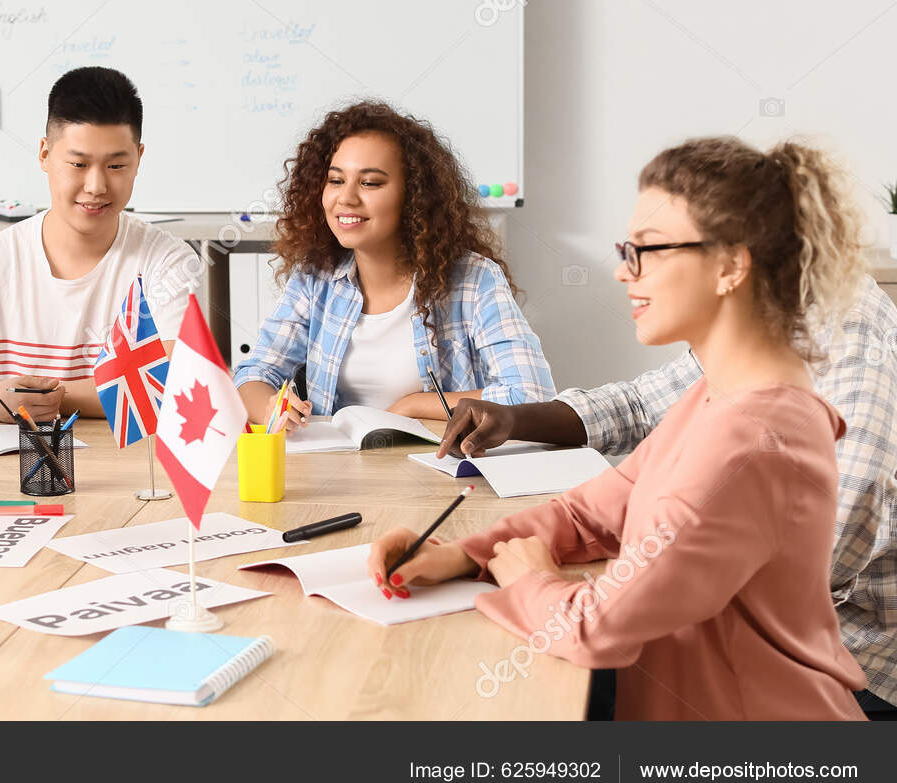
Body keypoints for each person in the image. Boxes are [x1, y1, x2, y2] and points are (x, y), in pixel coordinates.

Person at [369, 136, 870, 720]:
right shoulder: (716, 398)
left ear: (732, 263)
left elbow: (596, 628)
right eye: (627, 248)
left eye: (649, 250)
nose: (622, 271)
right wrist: (461, 554)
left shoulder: (751, 442)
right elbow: (594, 512)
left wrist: (531, 579)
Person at [0, 66, 199, 423]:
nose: (96, 186)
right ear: (44, 154)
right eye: (78, 163)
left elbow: (171, 384)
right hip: (13, 467)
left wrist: (34, 398)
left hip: (124, 467)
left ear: (138, 159)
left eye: (117, 165)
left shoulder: (167, 260)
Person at [233, 100, 553, 427]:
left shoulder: (474, 279)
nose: (346, 198)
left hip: (439, 470)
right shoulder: (315, 279)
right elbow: (255, 373)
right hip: (336, 467)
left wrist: (413, 406)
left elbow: (530, 393)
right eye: (335, 180)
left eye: (370, 183)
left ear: (413, 196)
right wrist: (273, 407)